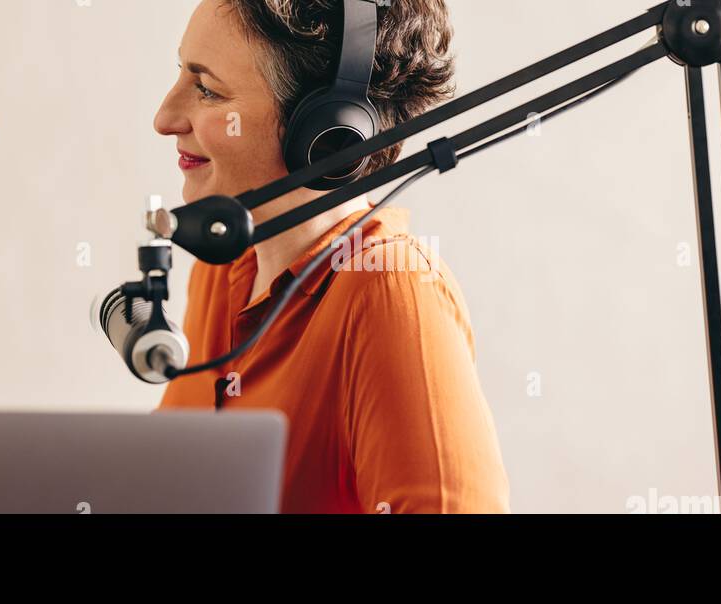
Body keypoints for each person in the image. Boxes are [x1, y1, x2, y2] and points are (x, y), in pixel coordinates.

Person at [153, 0, 509, 513]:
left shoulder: (391, 294)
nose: (165, 117)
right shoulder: (222, 268)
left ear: (324, 132)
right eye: (182, 74)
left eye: (207, 88)